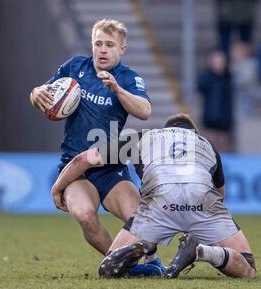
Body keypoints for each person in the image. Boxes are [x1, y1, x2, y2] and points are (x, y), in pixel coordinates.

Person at [30, 19, 165, 275]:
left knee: (143, 221)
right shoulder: (74, 67)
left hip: (110, 167)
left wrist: (117, 90)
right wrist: (36, 92)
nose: (102, 50)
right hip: (76, 169)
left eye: (110, 45)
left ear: (122, 49)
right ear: (92, 45)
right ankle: (123, 266)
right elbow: (44, 93)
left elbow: (145, 111)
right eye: (98, 44)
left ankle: (150, 259)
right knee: (85, 216)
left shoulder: (129, 78)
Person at [51, 113, 256, 279]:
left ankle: (143, 246)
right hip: (202, 199)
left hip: (159, 202)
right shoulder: (206, 144)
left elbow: (82, 160)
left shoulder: (145, 136)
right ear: (193, 132)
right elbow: (220, 195)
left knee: (109, 267)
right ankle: (204, 252)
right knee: (248, 266)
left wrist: (57, 188)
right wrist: (208, 230)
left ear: (165, 130)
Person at [197, 50, 233, 153]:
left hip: (225, 121)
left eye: (220, 62)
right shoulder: (206, 79)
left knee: (223, 146)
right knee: (209, 147)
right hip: (209, 119)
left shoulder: (229, 79)